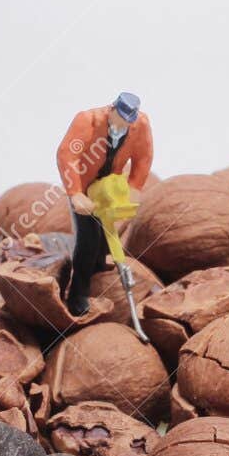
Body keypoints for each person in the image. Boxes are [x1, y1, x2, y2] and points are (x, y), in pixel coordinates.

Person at [55, 92, 154, 315]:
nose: (123, 124)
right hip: (85, 187)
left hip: (110, 188)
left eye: (128, 121)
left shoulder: (140, 124)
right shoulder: (87, 121)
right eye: (119, 118)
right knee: (88, 240)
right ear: (111, 109)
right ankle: (77, 294)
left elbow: (144, 157)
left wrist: (135, 187)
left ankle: (98, 274)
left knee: (107, 239)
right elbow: (67, 156)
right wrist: (76, 193)